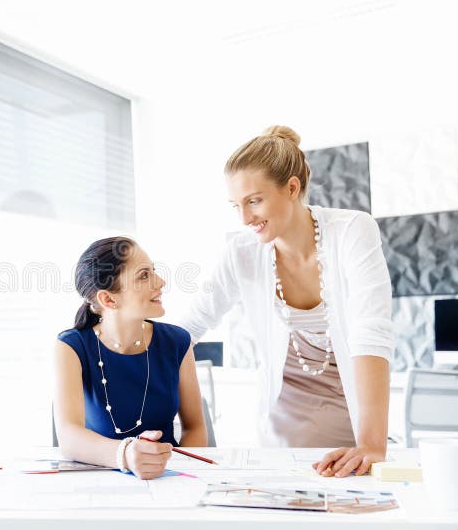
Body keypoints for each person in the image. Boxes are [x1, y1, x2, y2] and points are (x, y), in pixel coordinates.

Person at [180, 126, 393, 478]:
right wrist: (117, 340)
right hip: (280, 437)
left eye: (254, 200)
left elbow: (371, 331)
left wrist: (371, 445)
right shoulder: (242, 252)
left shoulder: (352, 230)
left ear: (292, 188)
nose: (245, 218)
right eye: (236, 205)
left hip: (354, 427)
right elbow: (190, 326)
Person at [54, 237, 208, 479]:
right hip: (101, 481)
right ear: (109, 299)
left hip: (165, 478)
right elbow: (69, 437)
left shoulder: (178, 342)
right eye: (144, 276)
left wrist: (171, 471)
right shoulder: (72, 347)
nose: (161, 282)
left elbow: (195, 427)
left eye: (153, 271)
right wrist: (126, 455)